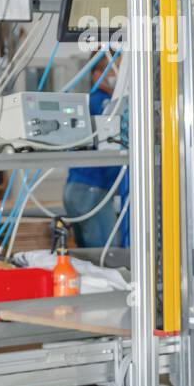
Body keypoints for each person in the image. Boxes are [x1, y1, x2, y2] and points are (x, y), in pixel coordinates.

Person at [63, 51, 125, 249]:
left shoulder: (90, 101)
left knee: (90, 255)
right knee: (106, 255)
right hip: (91, 190)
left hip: (79, 189)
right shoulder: (104, 104)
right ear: (96, 75)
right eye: (114, 70)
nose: (118, 76)